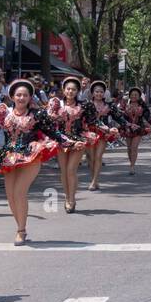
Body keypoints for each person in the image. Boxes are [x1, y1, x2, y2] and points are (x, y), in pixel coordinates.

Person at [0, 79, 69, 246]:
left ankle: (21, 230)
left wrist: (68, 141)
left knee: (19, 192)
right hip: (9, 155)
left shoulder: (37, 114)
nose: (21, 98)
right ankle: (20, 227)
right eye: (18, 95)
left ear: (30, 97)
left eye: (25, 95)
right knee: (11, 196)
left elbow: (52, 131)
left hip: (30, 154)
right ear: (12, 96)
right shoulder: (4, 112)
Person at [47, 77, 100, 213]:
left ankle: (71, 198)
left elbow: (94, 121)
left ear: (77, 91)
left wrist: (107, 128)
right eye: (68, 89)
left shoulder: (84, 105)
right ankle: (67, 197)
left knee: (71, 170)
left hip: (78, 140)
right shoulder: (56, 105)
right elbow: (48, 123)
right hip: (61, 140)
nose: (70, 91)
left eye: (74, 89)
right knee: (64, 171)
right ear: (64, 90)